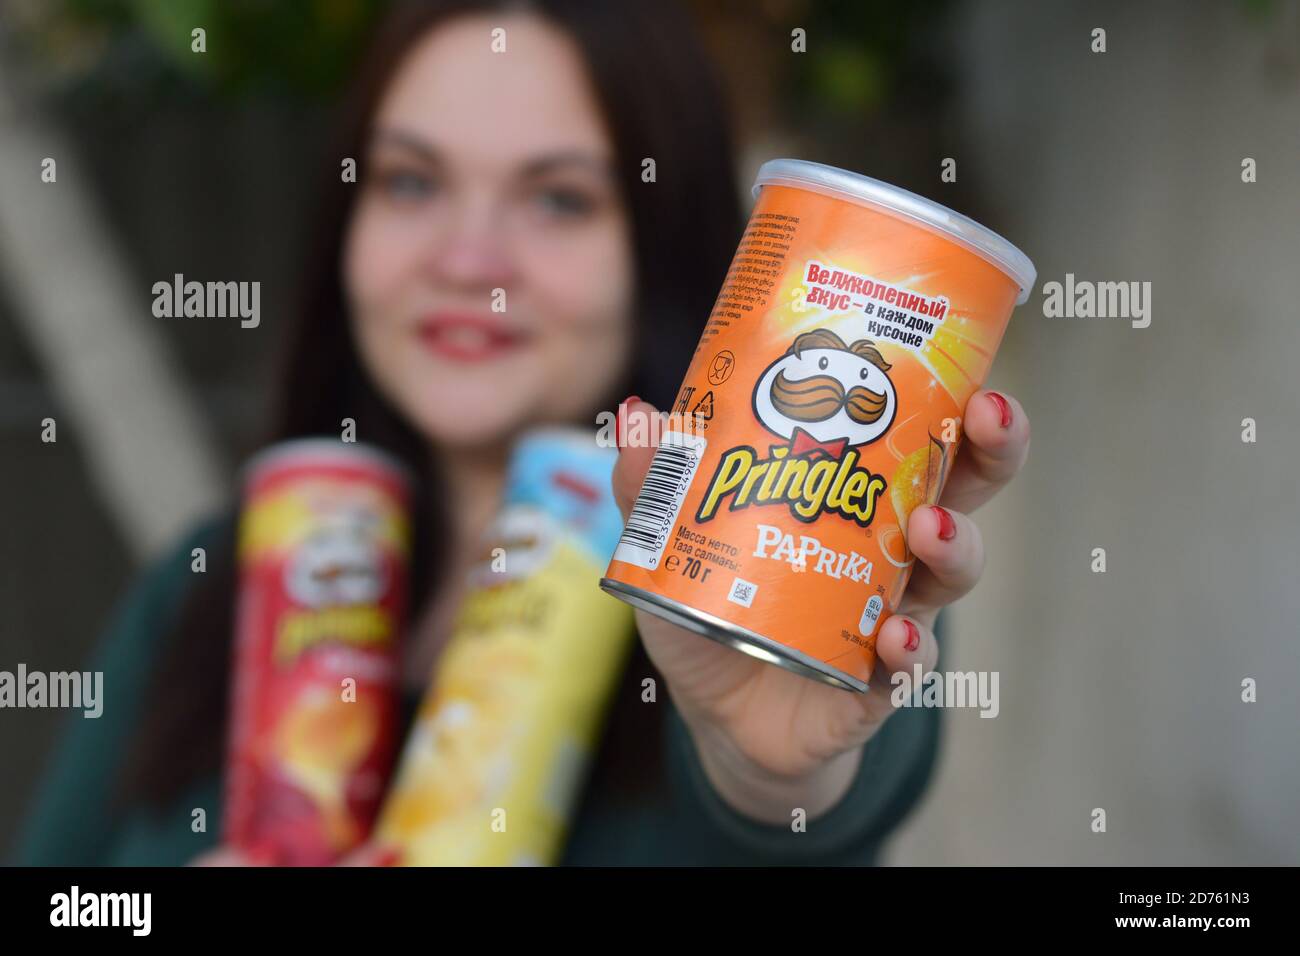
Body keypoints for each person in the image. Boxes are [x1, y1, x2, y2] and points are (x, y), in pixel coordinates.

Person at [15, 0, 1030, 866]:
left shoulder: (782, 582)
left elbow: (812, 795)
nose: (470, 256)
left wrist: (775, 765)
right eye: (412, 181)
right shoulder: (212, 576)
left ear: (663, 246)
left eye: (558, 198)